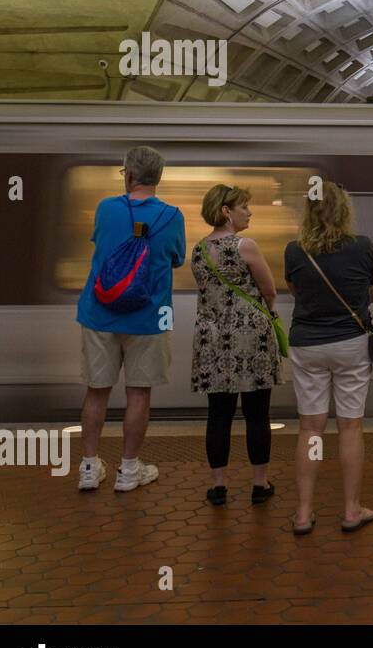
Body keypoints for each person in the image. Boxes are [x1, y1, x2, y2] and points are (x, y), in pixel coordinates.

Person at [76, 146, 187, 492]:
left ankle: (89, 468)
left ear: (128, 175)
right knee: (138, 394)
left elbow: (101, 244)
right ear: (158, 178)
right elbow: (177, 259)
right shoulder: (173, 216)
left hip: (99, 314)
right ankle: (127, 470)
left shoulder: (106, 208)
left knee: (96, 393)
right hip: (150, 318)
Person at [284, 182, 373, 534]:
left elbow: (297, 293)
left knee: (311, 429)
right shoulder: (362, 247)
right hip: (350, 344)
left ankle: (305, 513)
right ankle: (352, 510)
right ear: (344, 211)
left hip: (307, 343)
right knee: (350, 426)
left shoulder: (295, 251)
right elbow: (367, 290)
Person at [191, 185, 280, 506]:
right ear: (226, 211)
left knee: (218, 415)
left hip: (212, 340)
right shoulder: (246, 246)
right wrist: (268, 313)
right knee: (257, 414)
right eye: (245, 207)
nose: (250, 212)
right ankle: (259, 484)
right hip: (250, 339)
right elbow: (269, 290)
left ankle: (218, 486)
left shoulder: (198, 249)